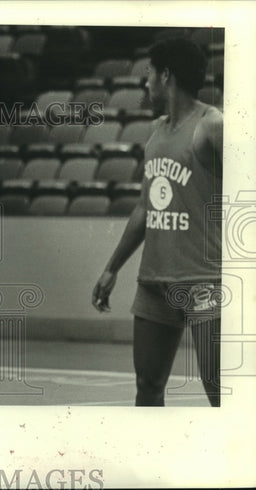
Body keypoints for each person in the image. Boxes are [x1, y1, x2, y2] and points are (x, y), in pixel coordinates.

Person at [91, 38, 223, 407]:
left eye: (149, 72)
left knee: (221, 391)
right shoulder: (156, 131)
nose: (146, 80)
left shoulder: (212, 125)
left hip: (204, 280)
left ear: (166, 75)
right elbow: (145, 208)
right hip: (154, 282)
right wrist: (112, 267)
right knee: (147, 387)